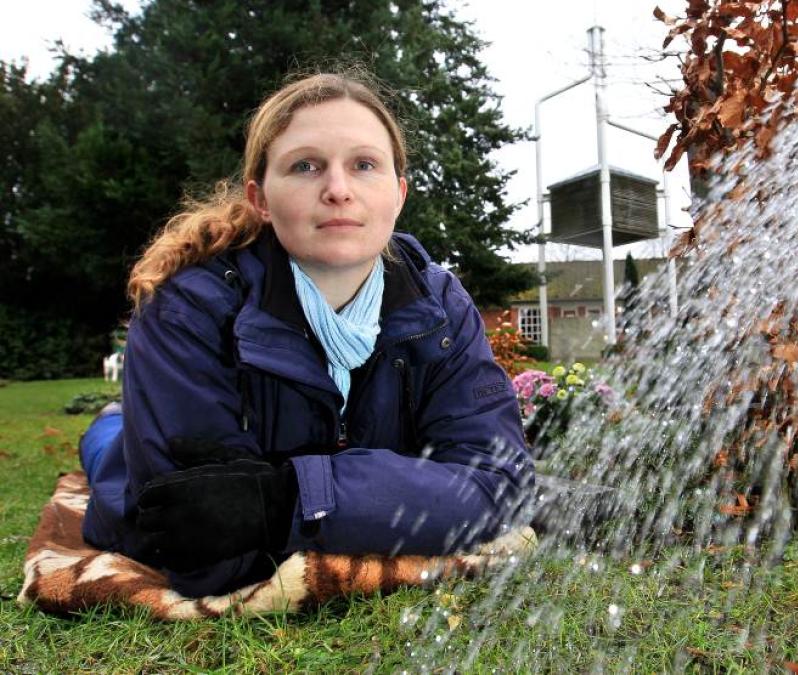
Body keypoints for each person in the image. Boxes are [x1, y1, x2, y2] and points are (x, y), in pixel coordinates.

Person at [78, 70, 534, 598]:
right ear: (261, 199)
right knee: (108, 446)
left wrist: (289, 499)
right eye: (305, 166)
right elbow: (204, 548)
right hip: (124, 469)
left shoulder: (441, 306)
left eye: (364, 165)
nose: (338, 190)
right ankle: (106, 425)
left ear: (399, 194)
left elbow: (499, 486)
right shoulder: (187, 307)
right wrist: (415, 498)